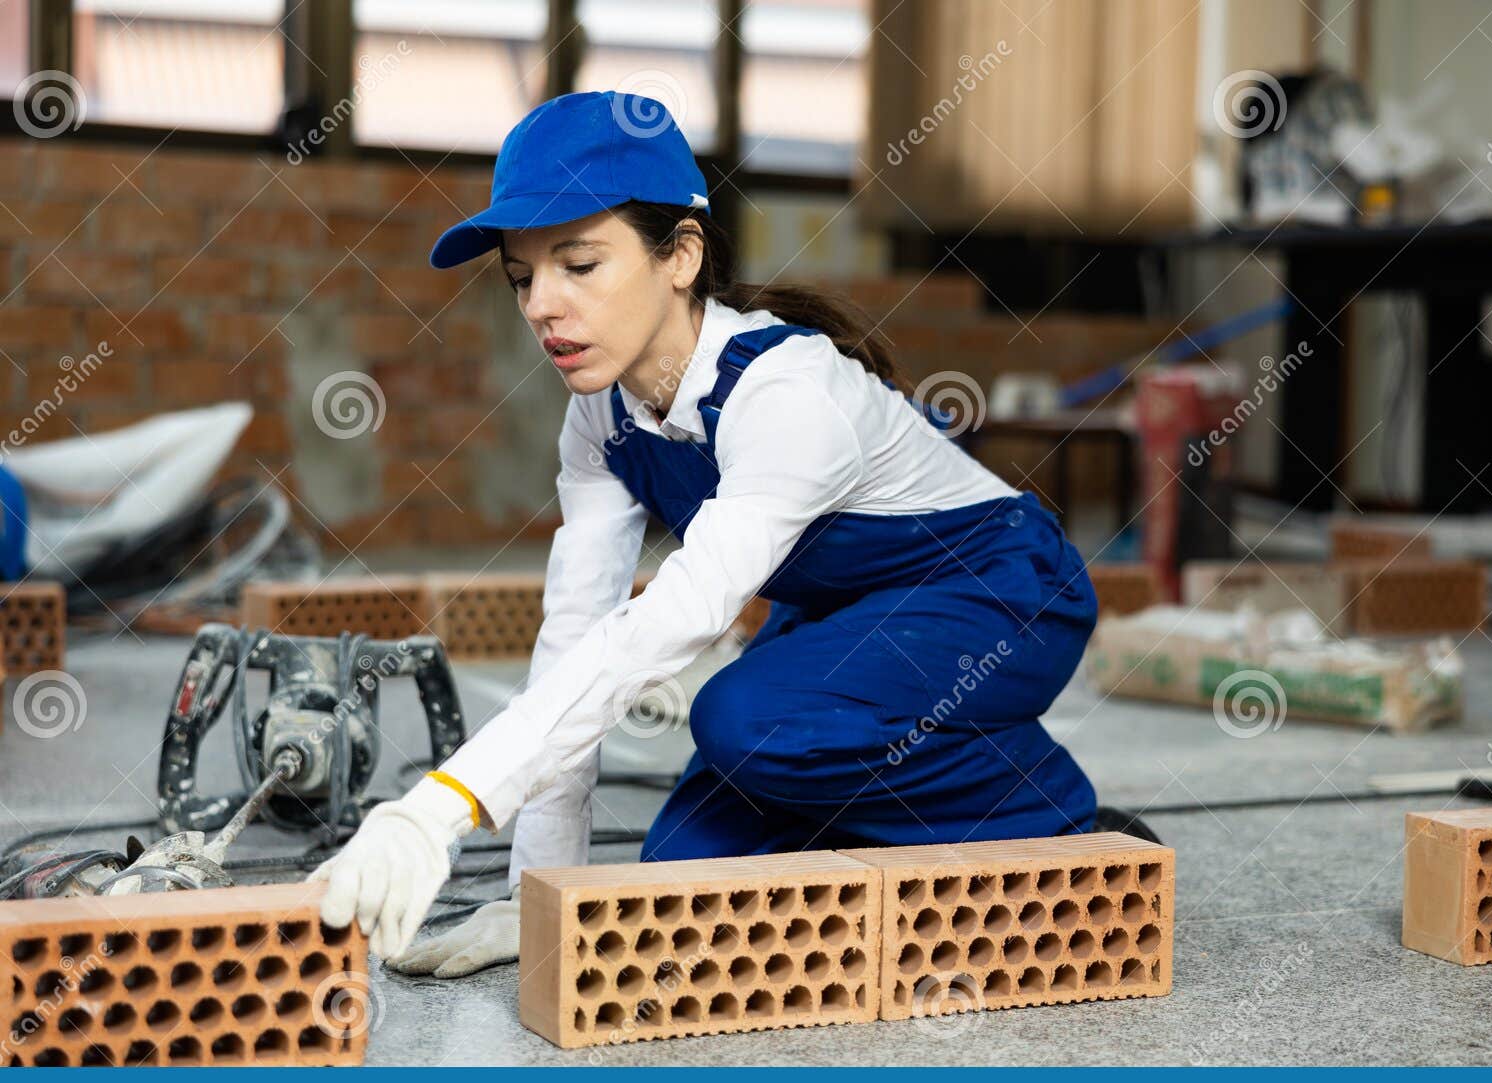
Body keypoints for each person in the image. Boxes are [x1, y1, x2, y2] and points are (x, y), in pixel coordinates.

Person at [312, 90, 1122, 977]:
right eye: (521, 277)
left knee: (750, 723)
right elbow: (575, 640)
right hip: (848, 618)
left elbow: (669, 622)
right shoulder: (600, 424)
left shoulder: (787, 395)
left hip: (1001, 592)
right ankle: (869, 811)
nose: (542, 304)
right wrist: (533, 895)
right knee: (673, 887)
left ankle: (1051, 813)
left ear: (682, 256)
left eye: (579, 264)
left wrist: (446, 803)